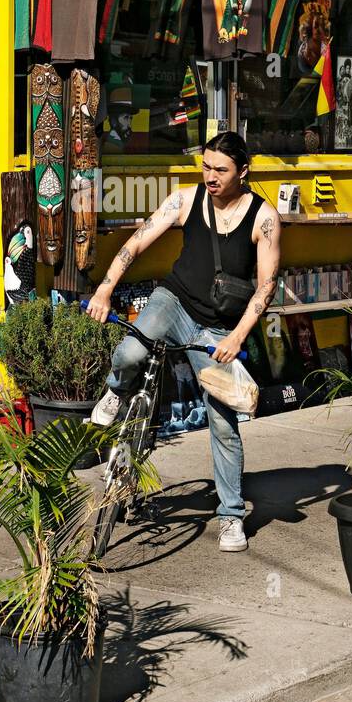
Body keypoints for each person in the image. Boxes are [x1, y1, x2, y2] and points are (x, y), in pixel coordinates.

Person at [87, 132, 282, 552]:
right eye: (206, 166)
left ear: (243, 173)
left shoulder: (263, 218)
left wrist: (236, 336)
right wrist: (104, 289)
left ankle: (231, 516)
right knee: (131, 350)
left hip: (218, 331)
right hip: (173, 302)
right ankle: (116, 391)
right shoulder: (186, 200)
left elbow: (266, 287)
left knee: (223, 423)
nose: (210, 176)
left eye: (220, 170)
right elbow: (137, 242)